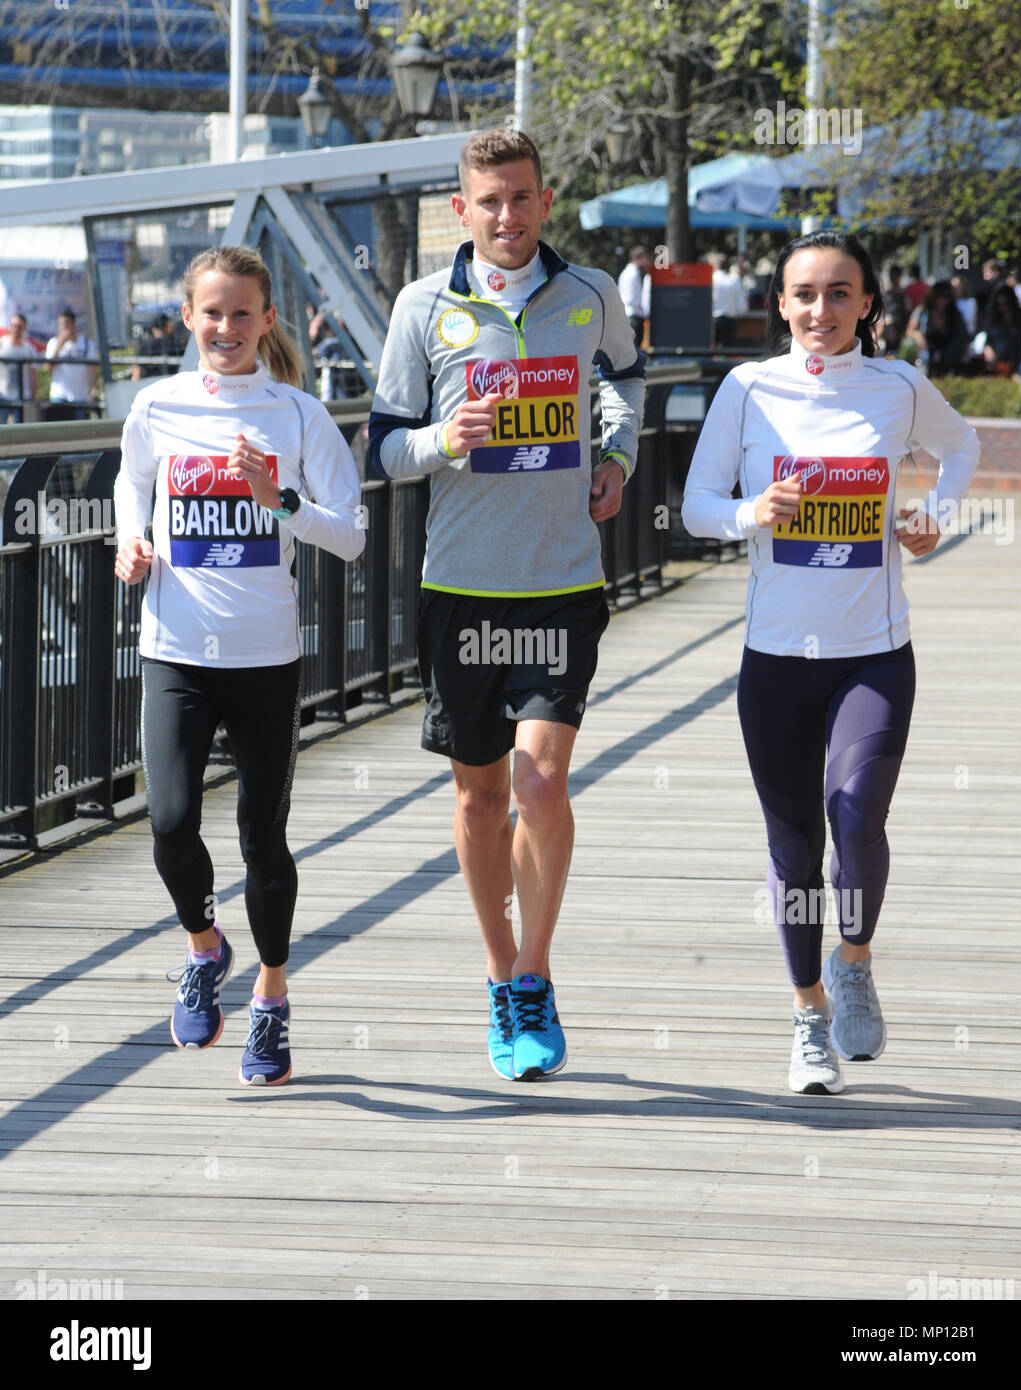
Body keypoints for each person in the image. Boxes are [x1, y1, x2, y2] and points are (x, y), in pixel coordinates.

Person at [368, 128, 644, 1082]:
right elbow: (387, 451)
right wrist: (447, 437)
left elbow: (625, 383)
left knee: (539, 785)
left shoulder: (591, 294)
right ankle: (498, 976)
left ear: (545, 199)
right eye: (488, 202)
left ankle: (534, 977)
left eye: (521, 198)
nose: (507, 217)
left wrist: (614, 461)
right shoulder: (421, 307)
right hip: (460, 589)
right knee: (481, 799)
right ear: (462, 210)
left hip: (562, 582)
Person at [682, 231, 979, 1096]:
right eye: (804, 294)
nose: (821, 310)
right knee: (793, 847)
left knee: (855, 816)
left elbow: (961, 448)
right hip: (774, 660)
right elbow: (698, 505)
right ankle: (809, 1015)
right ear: (779, 304)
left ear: (869, 305)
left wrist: (934, 514)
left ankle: (853, 962)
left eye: (840, 293)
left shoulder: (896, 386)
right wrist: (752, 511)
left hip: (873, 656)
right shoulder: (746, 389)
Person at [113, 245, 366, 1086]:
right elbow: (130, 481)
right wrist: (131, 540)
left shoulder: (298, 416)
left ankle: (270, 999)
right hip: (175, 652)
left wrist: (282, 502)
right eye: (211, 313)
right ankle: (203, 945)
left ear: (266, 322)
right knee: (169, 821)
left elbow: (352, 534)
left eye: (242, 314)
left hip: (265, 658)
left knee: (263, 836)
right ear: (188, 317)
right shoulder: (157, 405)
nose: (226, 328)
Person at [908, 280, 969, 377]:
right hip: (926, 358)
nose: (943, 301)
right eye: (940, 297)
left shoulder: (955, 315)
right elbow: (910, 330)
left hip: (949, 359)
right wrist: (918, 336)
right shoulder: (923, 311)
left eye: (946, 297)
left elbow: (963, 334)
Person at [45, 309, 98, 420]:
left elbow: (93, 368)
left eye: (66, 324)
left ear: (74, 324)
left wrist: (94, 388)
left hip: (80, 396)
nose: (64, 328)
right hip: (59, 395)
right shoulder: (53, 343)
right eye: (61, 325)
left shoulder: (87, 343)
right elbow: (47, 368)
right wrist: (59, 345)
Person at [979, 284, 1021, 377]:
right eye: (999, 305)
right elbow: (987, 342)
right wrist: (990, 353)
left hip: (1018, 362)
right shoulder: (993, 318)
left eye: (1006, 304)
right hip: (998, 364)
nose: (1003, 308)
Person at [0, 313, 38, 423]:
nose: (16, 329)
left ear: (24, 328)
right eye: (13, 326)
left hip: (22, 397)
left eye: (19, 326)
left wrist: (33, 397)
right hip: (3, 396)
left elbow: (33, 375)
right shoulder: (1, 344)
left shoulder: (29, 349)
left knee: (21, 433)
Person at [617, 245, 651, 347]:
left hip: (627, 316)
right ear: (637, 258)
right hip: (634, 317)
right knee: (634, 351)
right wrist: (642, 306)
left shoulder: (626, 272)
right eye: (645, 258)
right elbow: (631, 299)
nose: (646, 261)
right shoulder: (633, 273)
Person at [130, 314, 179, 381]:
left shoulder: (145, 345)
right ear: (167, 327)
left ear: (154, 329)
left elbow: (137, 373)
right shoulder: (174, 343)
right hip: (172, 382)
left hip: (149, 383)